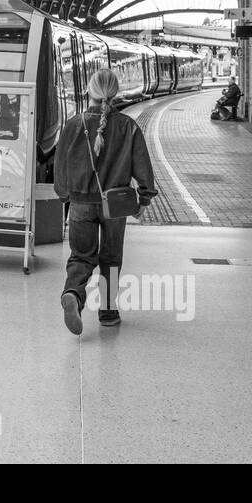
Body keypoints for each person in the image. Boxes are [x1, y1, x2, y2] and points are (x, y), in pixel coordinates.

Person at [54, 68, 158, 334]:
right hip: (115, 205)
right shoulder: (127, 126)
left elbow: (60, 167)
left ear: (89, 91)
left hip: (80, 204)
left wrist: (66, 195)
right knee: (111, 257)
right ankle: (108, 312)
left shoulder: (73, 124)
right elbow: (142, 167)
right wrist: (144, 198)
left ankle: (74, 296)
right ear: (116, 93)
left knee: (81, 255)